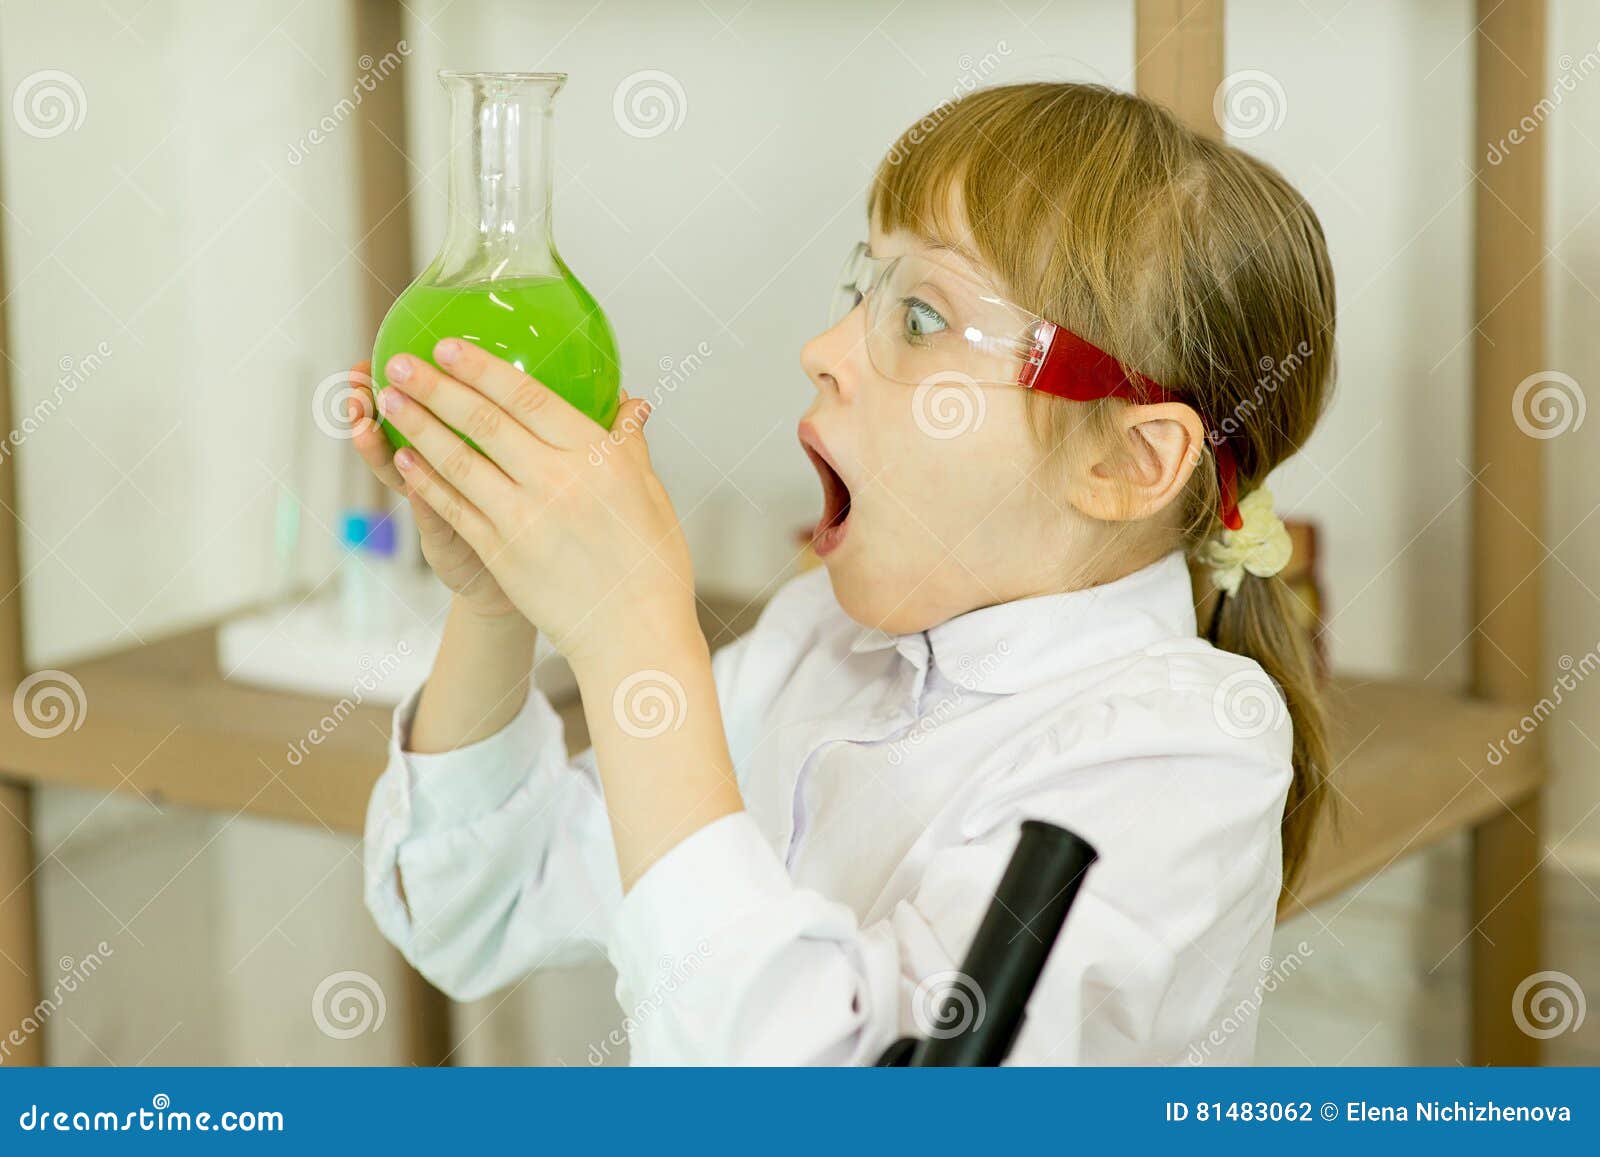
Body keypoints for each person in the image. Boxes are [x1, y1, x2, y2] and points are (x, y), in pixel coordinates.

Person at [353, 81, 1336, 1065]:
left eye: (918, 316)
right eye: (862, 286)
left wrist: (634, 638)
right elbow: (472, 907)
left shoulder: (1180, 752)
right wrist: (494, 602)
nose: (820, 351)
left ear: (1126, 461)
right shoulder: (816, 638)